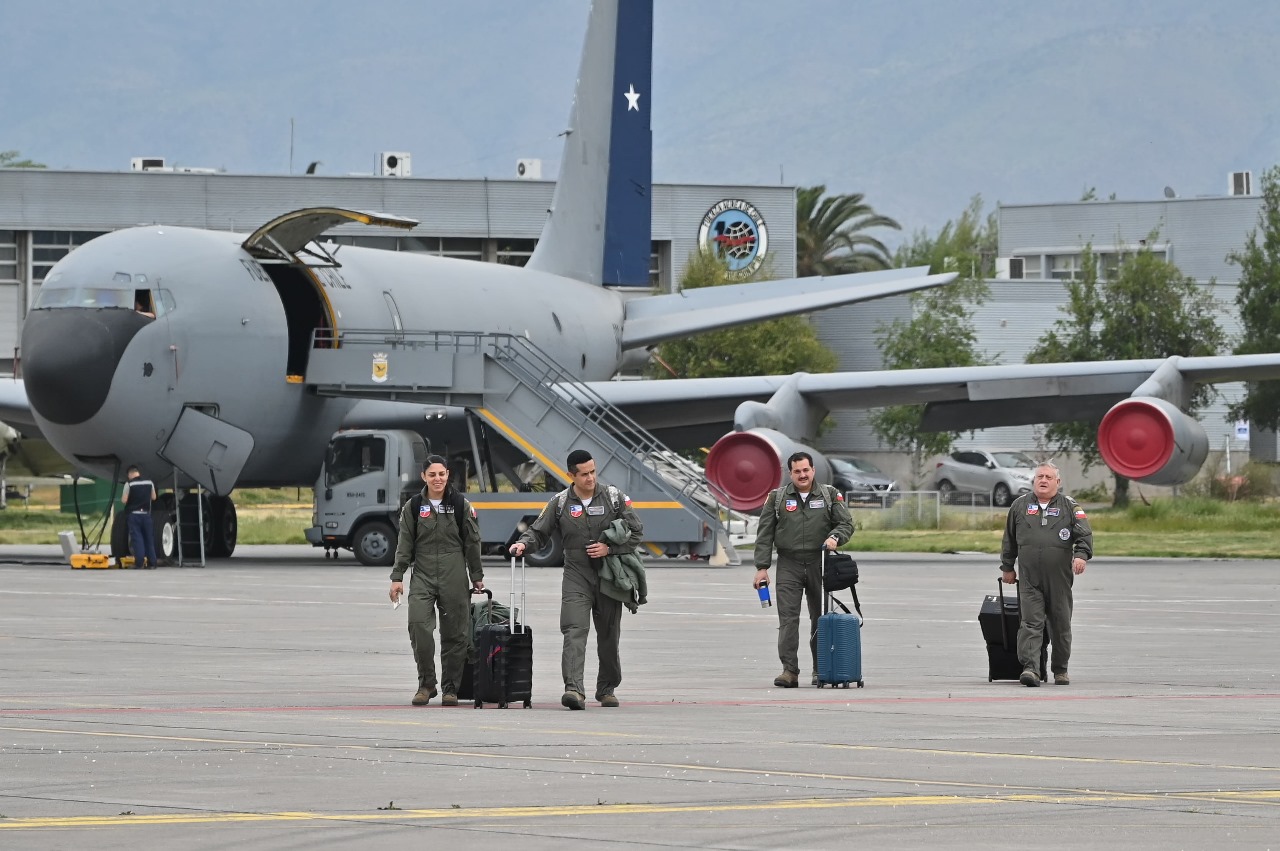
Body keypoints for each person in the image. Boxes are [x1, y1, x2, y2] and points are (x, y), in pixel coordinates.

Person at [510, 449, 643, 710]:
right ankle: (574, 689)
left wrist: (610, 549)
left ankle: (607, 688)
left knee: (608, 635)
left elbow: (636, 532)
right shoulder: (559, 503)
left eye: (593, 471)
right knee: (574, 630)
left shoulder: (614, 498)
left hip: (608, 573)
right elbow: (538, 532)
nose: (591, 478)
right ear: (571, 475)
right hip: (576, 573)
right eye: (584, 474)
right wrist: (524, 545)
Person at [752, 451, 854, 688]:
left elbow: (845, 523)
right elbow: (764, 534)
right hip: (789, 564)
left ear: (813, 470)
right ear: (791, 473)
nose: (802, 475)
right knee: (788, 619)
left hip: (820, 562)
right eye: (797, 471)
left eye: (806, 470)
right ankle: (789, 671)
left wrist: (835, 537)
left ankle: (821, 669)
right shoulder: (777, 498)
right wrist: (762, 567)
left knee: (820, 618)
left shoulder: (829, 495)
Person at [389, 455, 484, 707]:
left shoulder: (461, 505)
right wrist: (397, 577)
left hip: (454, 571)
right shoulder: (413, 507)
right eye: (432, 475)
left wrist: (477, 576)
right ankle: (427, 684)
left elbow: (473, 542)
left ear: (448, 474)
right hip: (423, 572)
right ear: (424, 477)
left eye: (441, 474)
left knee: (456, 633)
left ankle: (450, 688)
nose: (437, 479)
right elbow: (404, 543)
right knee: (418, 625)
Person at [999, 461, 1093, 687]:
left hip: (1059, 579)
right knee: (1030, 623)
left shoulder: (1071, 507)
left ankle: (1060, 669)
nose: (1043, 480)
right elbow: (1009, 539)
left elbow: (1084, 535)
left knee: (1060, 624)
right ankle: (1031, 669)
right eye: (1039, 476)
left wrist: (1081, 555)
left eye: (1048, 477)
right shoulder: (1019, 506)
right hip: (1030, 578)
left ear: (1058, 482)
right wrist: (1008, 567)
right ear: (1033, 480)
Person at [121, 465, 159, 569]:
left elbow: (124, 500)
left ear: (130, 474)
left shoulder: (129, 484)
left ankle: (139, 563)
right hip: (146, 515)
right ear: (138, 472)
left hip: (134, 515)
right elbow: (154, 497)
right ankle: (152, 563)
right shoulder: (149, 482)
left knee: (137, 539)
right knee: (149, 539)